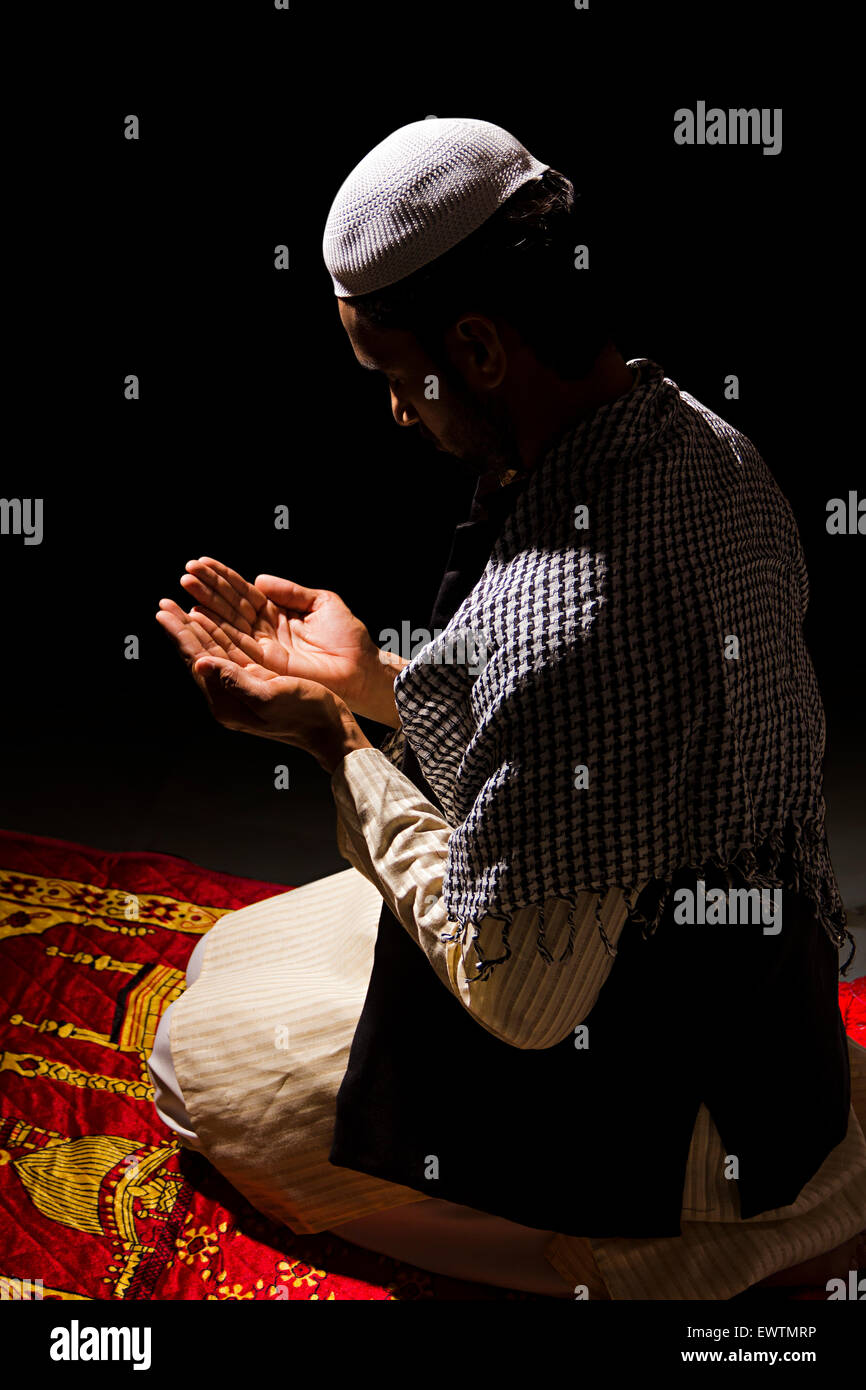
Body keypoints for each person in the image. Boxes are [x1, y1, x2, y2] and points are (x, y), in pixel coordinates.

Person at [147, 118, 866, 1299]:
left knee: (196, 1064)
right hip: (748, 982)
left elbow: (521, 1005)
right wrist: (369, 679)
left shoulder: (558, 613)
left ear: (476, 345)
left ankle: (687, 1249)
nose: (397, 413)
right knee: (237, 952)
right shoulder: (707, 445)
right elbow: (602, 730)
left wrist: (332, 741)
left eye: (393, 376)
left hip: (667, 1082)